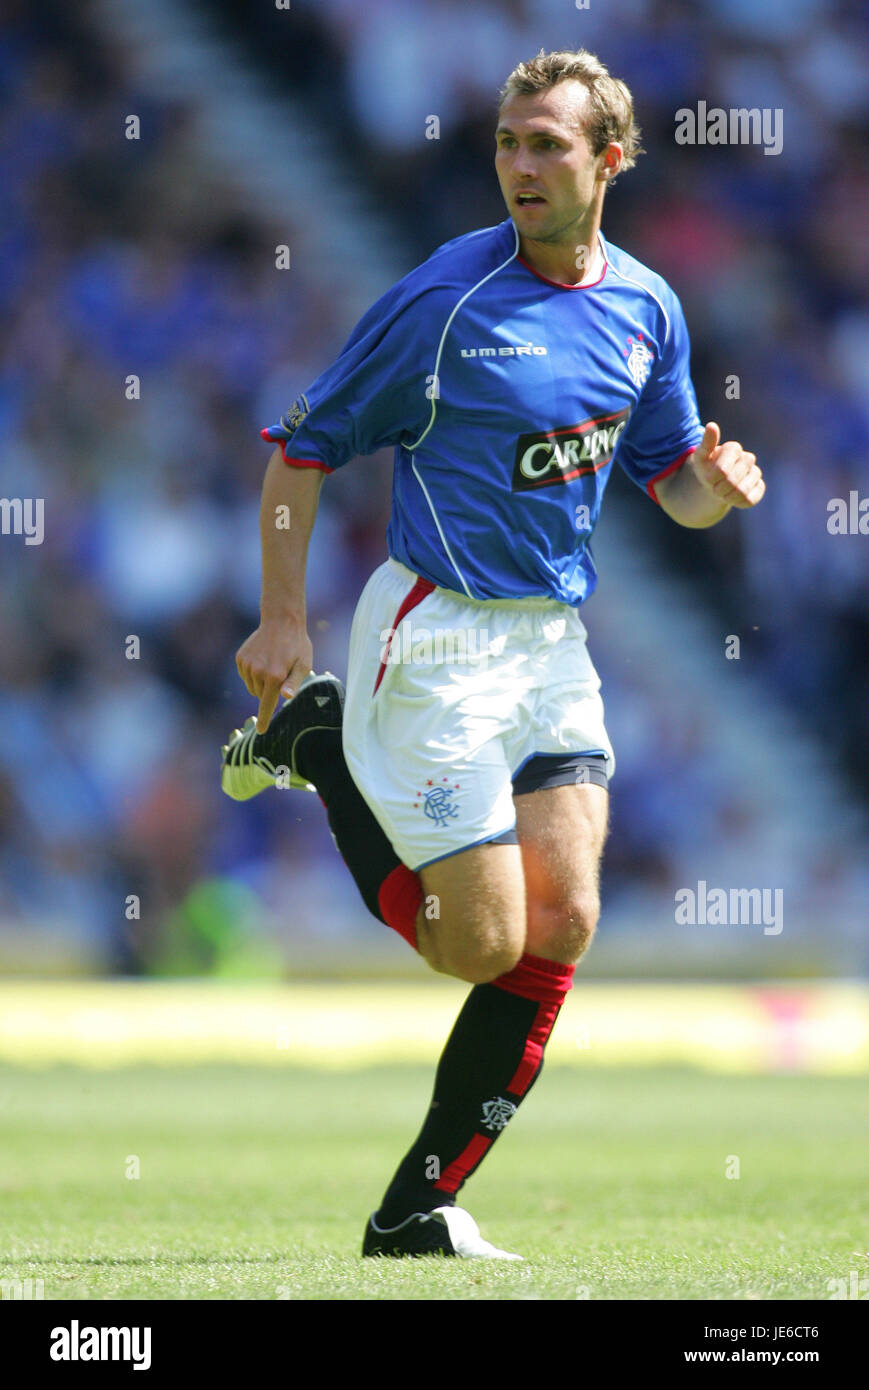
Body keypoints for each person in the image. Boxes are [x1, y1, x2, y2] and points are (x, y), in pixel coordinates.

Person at [221, 48, 765, 1260]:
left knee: (561, 921)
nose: (518, 166)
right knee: (475, 946)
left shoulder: (647, 307)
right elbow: (296, 453)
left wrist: (711, 490)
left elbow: (665, 483)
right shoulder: (442, 304)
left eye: (546, 146)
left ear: (607, 161)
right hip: (437, 634)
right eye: (508, 143)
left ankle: (413, 1208)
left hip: (550, 642)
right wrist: (282, 618)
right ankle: (315, 736)